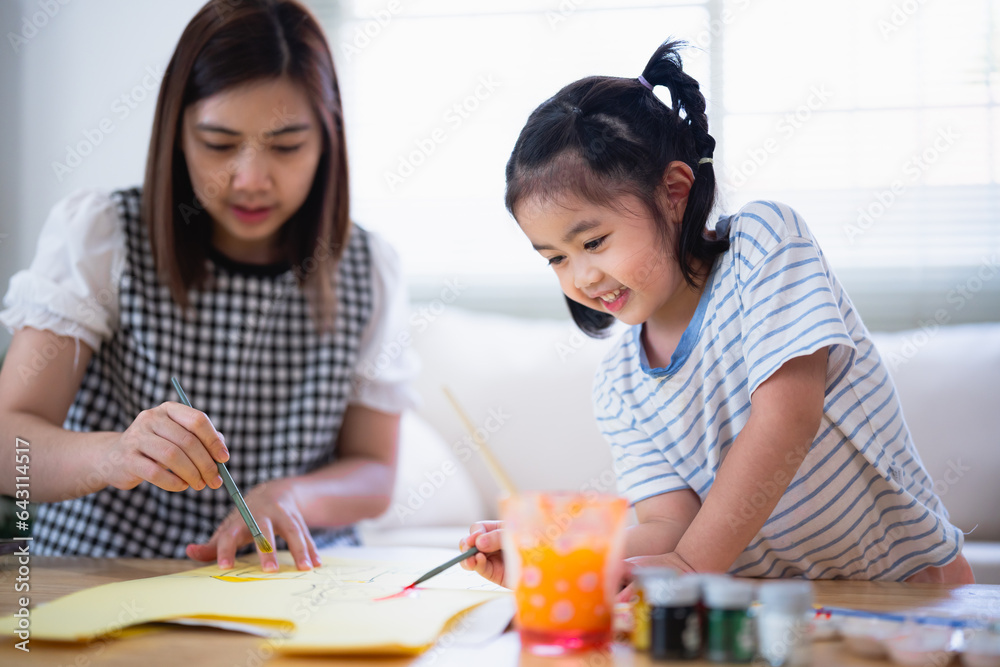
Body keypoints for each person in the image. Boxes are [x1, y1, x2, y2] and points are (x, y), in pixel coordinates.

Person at [461, 40, 973, 584]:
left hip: (913, 591)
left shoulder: (764, 243)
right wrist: (551, 552)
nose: (580, 277)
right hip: (774, 621)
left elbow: (787, 419)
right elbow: (668, 528)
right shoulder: (619, 388)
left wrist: (689, 565)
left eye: (594, 242)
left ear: (675, 191)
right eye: (556, 259)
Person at [0, 0, 417, 573]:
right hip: (107, 574)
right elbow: (8, 446)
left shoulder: (369, 268)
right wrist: (114, 454)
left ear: (328, 139)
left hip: (282, 583)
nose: (249, 180)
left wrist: (294, 495)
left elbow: (375, 471)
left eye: (287, 146)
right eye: (219, 144)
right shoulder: (100, 235)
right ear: (177, 135)